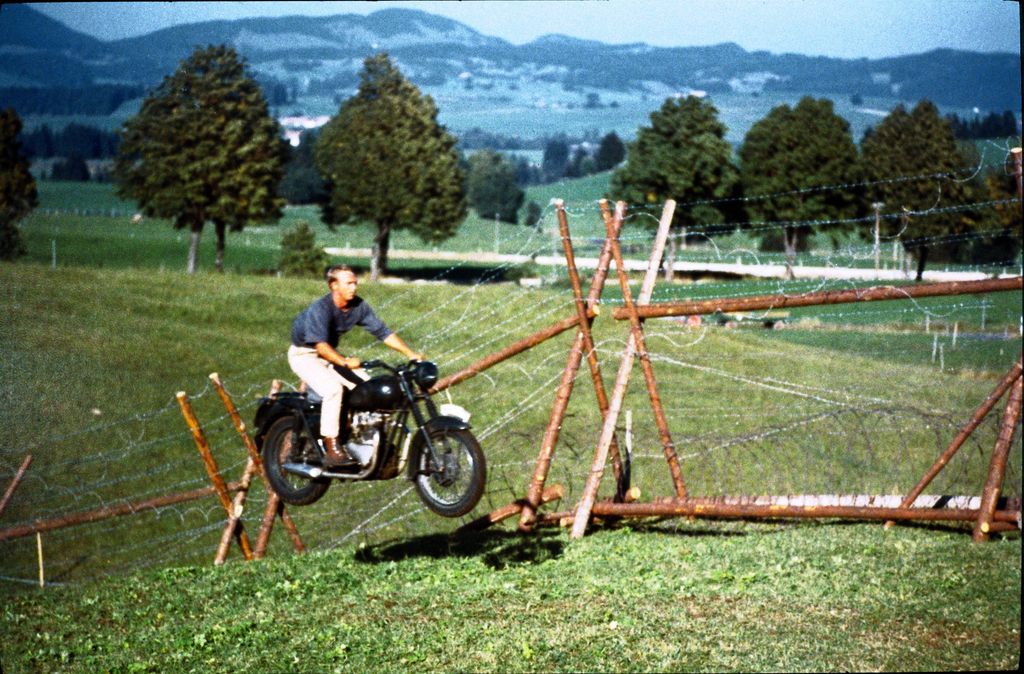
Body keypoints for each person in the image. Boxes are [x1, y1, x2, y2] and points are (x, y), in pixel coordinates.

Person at [288, 264, 422, 467]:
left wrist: (411, 354)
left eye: (355, 283)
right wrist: (344, 362)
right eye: (348, 283)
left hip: (329, 356)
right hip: (305, 355)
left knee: (368, 387)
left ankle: (363, 439)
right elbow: (321, 347)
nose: (354, 288)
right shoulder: (321, 309)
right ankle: (331, 447)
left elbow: (383, 332)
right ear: (333, 285)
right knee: (333, 390)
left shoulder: (358, 306)